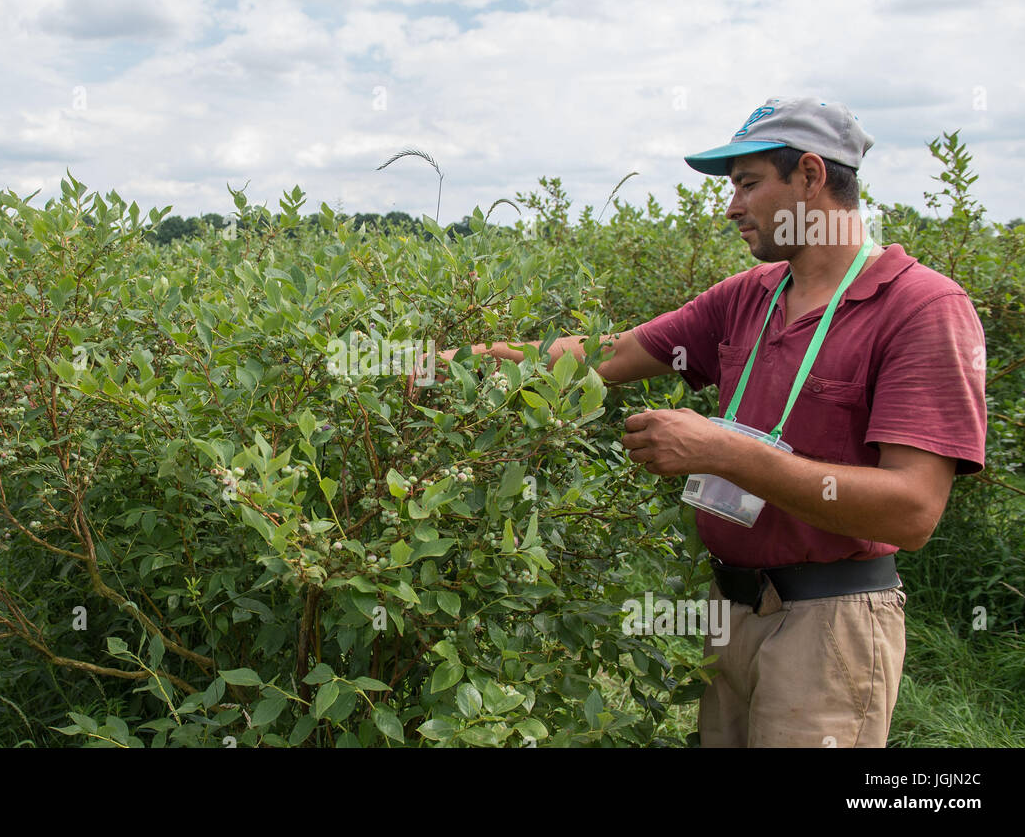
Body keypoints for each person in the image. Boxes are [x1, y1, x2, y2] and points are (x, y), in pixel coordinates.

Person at [416, 97, 987, 747]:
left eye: (747, 184)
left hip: (829, 625)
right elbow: (609, 354)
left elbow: (913, 511)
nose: (731, 207)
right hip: (732, 613)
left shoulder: (921, 308)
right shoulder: (749, 295)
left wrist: (724, 453)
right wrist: (459, 365)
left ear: (808, 175)